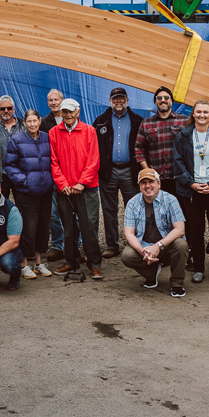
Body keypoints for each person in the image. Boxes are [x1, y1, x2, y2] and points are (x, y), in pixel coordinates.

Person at [172, 99, 209, 285]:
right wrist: (191, 183)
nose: (202, 115)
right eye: (198, 112)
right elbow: (178, 162)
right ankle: (198, 268)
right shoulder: (183, 136)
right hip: (192, 191)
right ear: (193, 114)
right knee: (195, 230)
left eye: (205, 112)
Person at [50, 98, 104, 282]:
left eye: (71, 111)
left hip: (86, 189)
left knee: (89, 226)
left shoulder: (90, 131)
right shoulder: (54, 132)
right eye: (64, 111)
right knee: (69, 228)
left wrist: (82, 182)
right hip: (65, 190)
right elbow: (53, 161)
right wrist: (62, 183)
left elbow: (94, 160)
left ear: (78, 112)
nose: (68, 115)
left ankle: (95, 264)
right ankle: (71, 261)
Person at [119, 168, 188, 296]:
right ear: (139, 186)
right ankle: (151, 274)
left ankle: (177, 283)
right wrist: (143, 251)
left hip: (166, 246)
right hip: (144, 246)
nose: (147, 186)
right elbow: (129, 233)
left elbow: (180, 229)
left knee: (181, 245)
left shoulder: (171, 200)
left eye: (151, 181)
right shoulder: (132, 203)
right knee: (127, 255)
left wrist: (158, 246)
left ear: (159, 184)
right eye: (143, 183)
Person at [3, 108, 54, 278]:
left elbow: (54, 160)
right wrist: (23, 180)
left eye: (35, 121)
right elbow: (9, 165)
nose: (32, 124)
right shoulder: (17, 140)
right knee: (28, 228)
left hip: (45, 191)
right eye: (29, 121)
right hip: (27, 192)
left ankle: (39, 262)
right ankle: (24, 263)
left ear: (39, 121)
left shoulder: (48, 138)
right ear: (25, 123)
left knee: (43, 227)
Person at [92, 86, 139, 259]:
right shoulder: (100, 121)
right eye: (115, 99)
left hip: (130, 171)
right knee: (109, 209)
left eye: (121, 98)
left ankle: (135, 244)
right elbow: (93, 147)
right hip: (108, 172)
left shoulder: (138, 120)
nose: (118, 101)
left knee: (134, 209)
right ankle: (112, 245)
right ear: (110, 101)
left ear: (127, 100)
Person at [135, 87, 185, 188]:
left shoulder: (184, 121)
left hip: (179, 178)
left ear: (171, 100)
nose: (163, 100)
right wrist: (148, 171)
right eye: (159, 98)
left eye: (166, 97)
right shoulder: (146, 123)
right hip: (156, 179)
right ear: (155, 101)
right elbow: (139, 149)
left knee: (179, 204)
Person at [0, 95, 22, 197]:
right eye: (2, 109)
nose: (6, 111)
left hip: (20, 174)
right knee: (0, 207)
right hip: (0, 175)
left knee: (22, 208)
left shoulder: (24, 128)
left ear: (14, 109)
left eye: (9, 108)